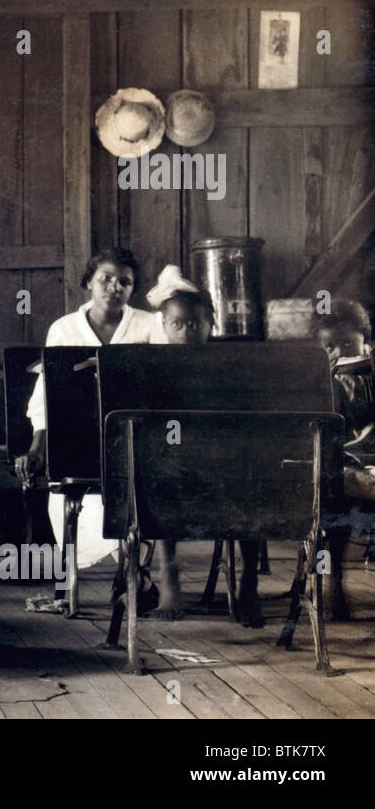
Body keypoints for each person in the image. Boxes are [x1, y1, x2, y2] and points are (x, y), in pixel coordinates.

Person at [14, 248, 162, 582]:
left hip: (134, 438)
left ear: (132, 289)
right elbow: (45, 396)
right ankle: (81, 575)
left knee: (141, 484)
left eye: (124, 282)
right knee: (71, 482)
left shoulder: (149, 324)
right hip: (80, 440)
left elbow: (161, 386)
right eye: (105, 279)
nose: (114, 287)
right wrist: (37, 447)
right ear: (89, 283)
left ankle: (136, 566)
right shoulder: (64, 329)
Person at [145, 266, 269, 624]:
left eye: (195, 324)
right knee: (160, 476)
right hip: (175, 462)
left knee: (251, 479)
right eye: (177, 325)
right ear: (164, 326)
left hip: (223, 461)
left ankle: (248, 580)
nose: (186, 332)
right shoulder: (155, 364)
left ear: (211, 325)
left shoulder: (230, 365)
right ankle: (168, 571)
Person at [312, 298, 374, 620]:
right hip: (340, 461)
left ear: (366, 338)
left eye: (348, 343)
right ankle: (335, 581)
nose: (338, 352)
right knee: (335, 499)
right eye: (329, 347)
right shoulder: (321, 381)